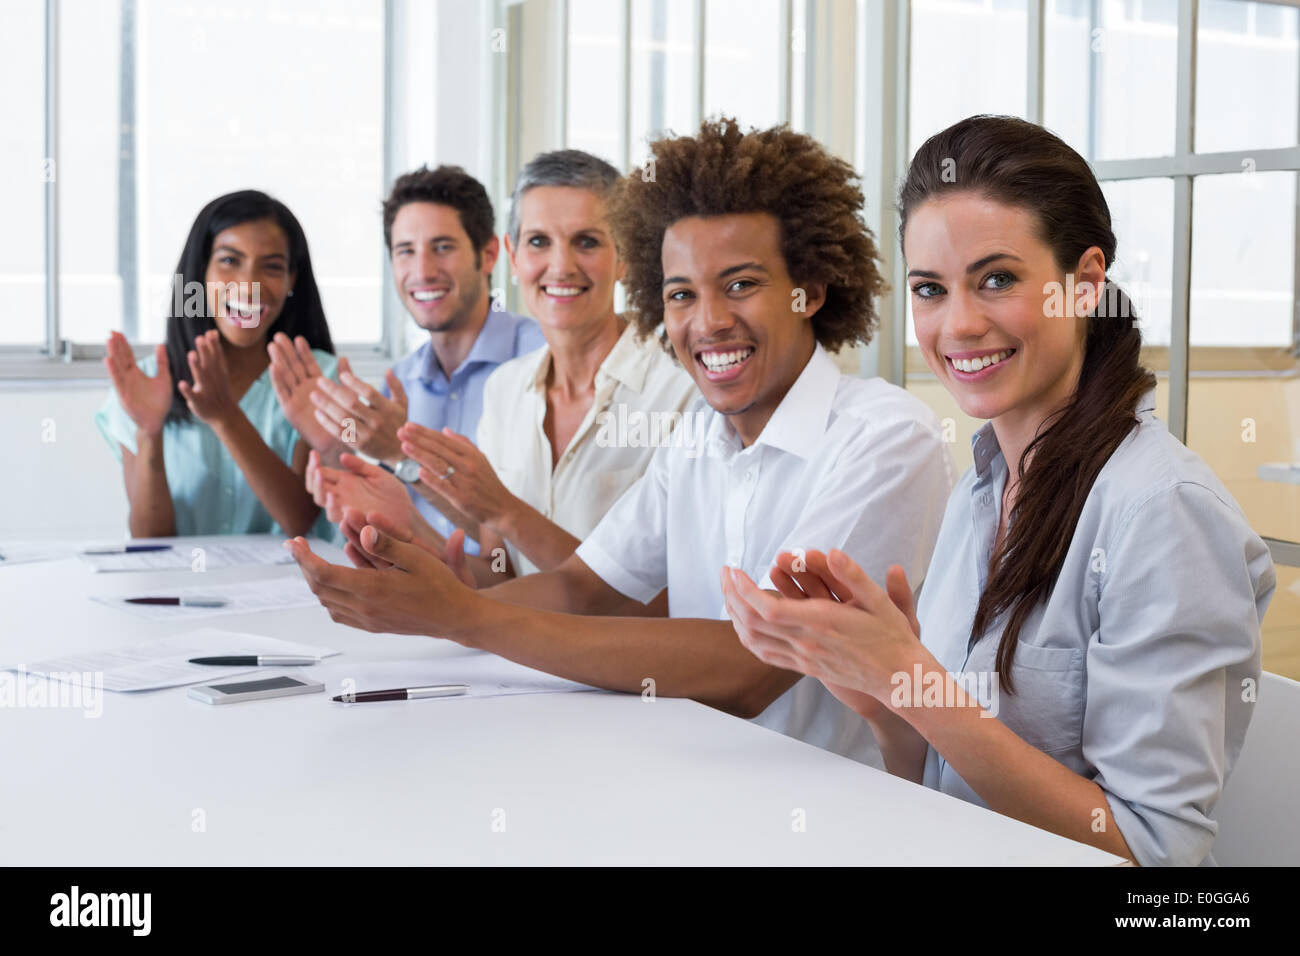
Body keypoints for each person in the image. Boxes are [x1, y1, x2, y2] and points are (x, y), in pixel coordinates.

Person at [286, 118, 956, 768]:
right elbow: (584, 588)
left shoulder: (887, 439)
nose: (709, 321)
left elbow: (757, 667)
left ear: (809, 290)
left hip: (829, 814)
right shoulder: (699, 436)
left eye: (742, 285)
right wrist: (423, 605)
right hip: (677, 774)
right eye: (681, 294)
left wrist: (464, 616)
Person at [720, 115, 1275, 865]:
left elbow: (1152, 855)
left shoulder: (1160, 509)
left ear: (1083, 286)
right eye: (929, 289)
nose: (959, 325)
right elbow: (940, 783)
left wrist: (912, 680)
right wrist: (880, 696)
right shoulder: (981, 488)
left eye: (998, 279)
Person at [307, 149, 697, 585]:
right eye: (538, 242)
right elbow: (501, 574)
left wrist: (502, 510)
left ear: (624, 256)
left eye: (587, 241)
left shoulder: (681, 389)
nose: (561, 266)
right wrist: (402, 526)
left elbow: (647, 600)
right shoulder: (506, 389)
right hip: (518, 653)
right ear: (513, 257)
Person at [301, 165, 545, 554]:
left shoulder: (541, 358)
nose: (422, 271)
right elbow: (398, 529)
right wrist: (335, 457)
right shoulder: (399, 381)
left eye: (443, 247)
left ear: (488, 255)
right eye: (405, 251)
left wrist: (403, 457)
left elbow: (518, 549)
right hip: (428, 599)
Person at [96, 190, 338, 537]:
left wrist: (226, 417)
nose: (249, 285)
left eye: (271, 266)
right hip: (181, 586)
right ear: (200, 274)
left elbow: (299, 519)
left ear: (291, 280)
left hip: (289, 589)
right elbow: (149, 538)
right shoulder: (144, 382)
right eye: (229, 260)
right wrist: (149, 432)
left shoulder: (318, 378)